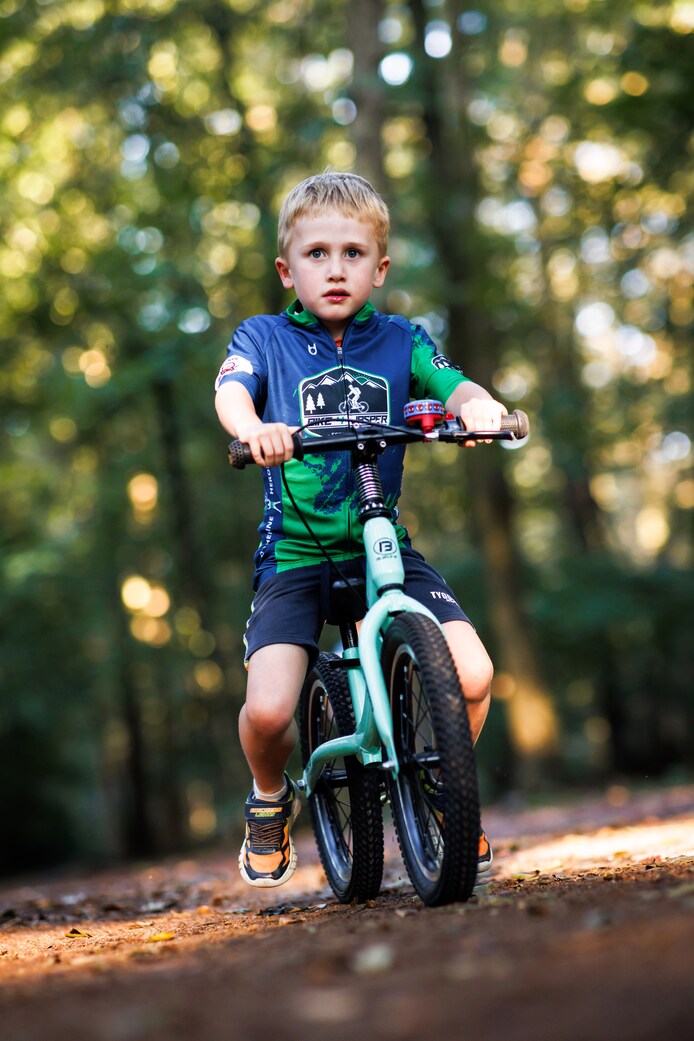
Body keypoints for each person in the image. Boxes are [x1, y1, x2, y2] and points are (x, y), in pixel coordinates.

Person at [215, 171, 507, 889]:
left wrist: (479, 408)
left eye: (353, 253)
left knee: (473, 675)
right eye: (317, 253)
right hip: (296, 554)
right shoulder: (266, 338)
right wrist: (255, 431)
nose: (335, 267)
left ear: (380, 268)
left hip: (385, 547)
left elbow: (454, 384)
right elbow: (231, 390)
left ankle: (445, 790)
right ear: (288, 268)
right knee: (268, 710)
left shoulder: (401, 339)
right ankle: (269, 796)